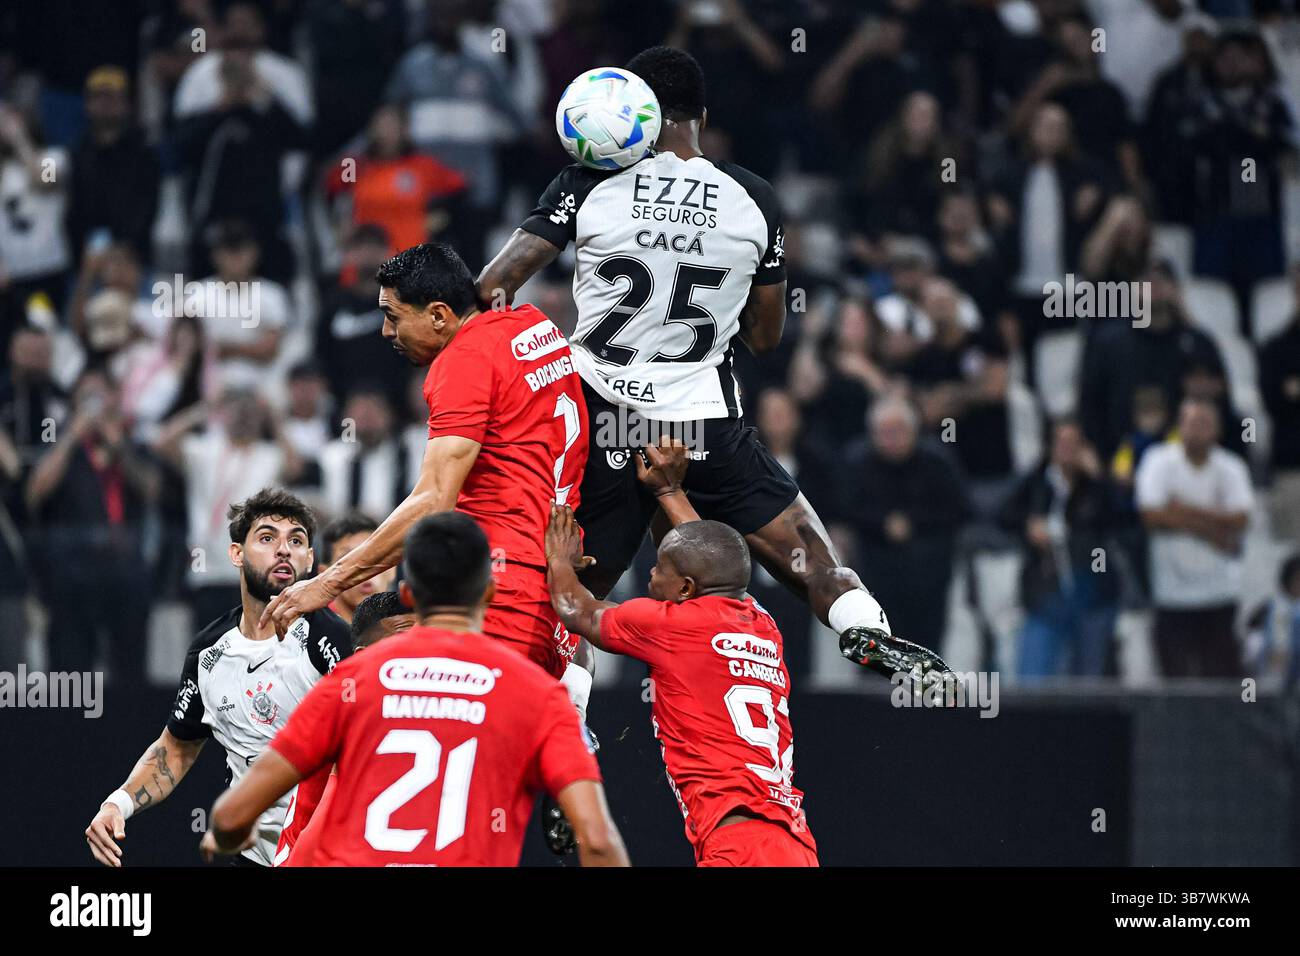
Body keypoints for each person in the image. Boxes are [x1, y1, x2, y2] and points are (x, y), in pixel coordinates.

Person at [478, 44, 936, 680]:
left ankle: (550, 715)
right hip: (699, 420)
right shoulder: (754, 198)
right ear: (702, 114)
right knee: (807, 551)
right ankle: (863, 625)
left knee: (566, 593)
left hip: (600, 414)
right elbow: (768, 337)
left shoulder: (590, 179)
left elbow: (494, 286)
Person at [206, 512, 629, 867]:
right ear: (488, 592)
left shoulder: (351, 683)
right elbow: (595, 840)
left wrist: (227, 837)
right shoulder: (535, 694)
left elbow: (231, 815)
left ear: (406, 593)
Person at [263, 242, 591, 699]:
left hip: (502, 593)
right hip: (556, 584)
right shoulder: (534, 325)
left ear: (439, 314)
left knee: (468, 751)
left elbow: (432, 503)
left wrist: (325, 584)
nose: (384, 331)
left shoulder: (462, 361)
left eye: (394, 316)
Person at [545, 446, 816, 866]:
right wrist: (669, 491)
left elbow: (574, 609)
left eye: (660, 568)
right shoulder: (763, 624)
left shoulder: (669, 626)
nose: (651, 571)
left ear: (687, 589)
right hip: (793, 844)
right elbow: (715, 554)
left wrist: (559, 558)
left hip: (735, 848)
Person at [84, 488, 353, 867]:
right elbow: (176, 749)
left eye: (296, 541)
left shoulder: (332, 639)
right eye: (266, 537)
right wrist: (119, 803)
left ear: (309, 559)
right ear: (236, 554)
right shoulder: (209, 653)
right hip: (252, 857)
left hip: (326, 856)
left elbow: (363, 749)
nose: (283, 550)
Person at [275, 589, 415, 867]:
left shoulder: (457, 726)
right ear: (362, 659)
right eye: (401, 648)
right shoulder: (333, 738)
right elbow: (298, 847)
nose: (416, 661)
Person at [1136, 397, 1253, 678]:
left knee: (1221, 679)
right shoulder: (1158, 460)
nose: (1197, 430)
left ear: (1217, 430)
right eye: (1191, 423)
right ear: (1179, 426)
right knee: (1176, 680)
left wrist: (1180, 509)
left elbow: (1241, 519)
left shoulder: (1231, 467)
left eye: (1205, 423)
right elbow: (1151, 515)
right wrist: (1214, 531)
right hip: (1171, 593)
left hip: (1219, 592)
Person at [316, 512, 395, 626]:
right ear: (323, 574)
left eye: (375, 556)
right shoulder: (309, 631)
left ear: (392, 569)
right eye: (348, 559)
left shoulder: (408, 629)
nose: (364, 568)